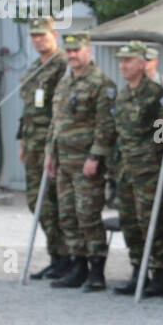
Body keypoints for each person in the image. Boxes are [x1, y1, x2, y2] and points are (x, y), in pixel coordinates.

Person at [44, 31, 117, 292]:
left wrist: (95, 156)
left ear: (89, 51)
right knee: (68, 216)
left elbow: (105, 126)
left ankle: (96, 272)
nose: (72, 55)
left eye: (77, 51)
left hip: (86, 162)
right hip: (64, 161)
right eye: (69, 51)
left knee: (88, 215)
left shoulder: (101, 84)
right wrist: (50, 154)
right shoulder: (65, 84)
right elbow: (57, 123)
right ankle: (78, 266)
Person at [110, 40, 163, 297]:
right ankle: (138, 271)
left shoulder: (157, 94)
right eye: (121, 61)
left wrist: (152, 161)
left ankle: (159, 275)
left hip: (147, 171)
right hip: (125, 171)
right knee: (129, 222)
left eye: (128, 61)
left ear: (141, 63)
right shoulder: (123, 95)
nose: (123, 66)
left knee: (151, 222)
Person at [17, 18, 69, 279]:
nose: (38, 39)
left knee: (54, 202)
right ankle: (56, 255)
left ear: (54, 35)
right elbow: (27, 109)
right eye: (34, 35)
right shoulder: (35, 68)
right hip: (32, 142)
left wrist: (54, 146)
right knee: (36, 201)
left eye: (43, 35)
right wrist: (21, 140)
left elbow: (62, 110)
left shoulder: (62, 66)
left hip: (52, 144)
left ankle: (67, 257)